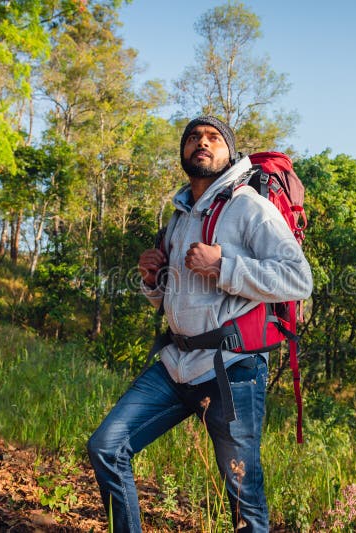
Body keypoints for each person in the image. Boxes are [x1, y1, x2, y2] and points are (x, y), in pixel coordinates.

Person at [87, 116, 313, 532]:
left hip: (232, 368)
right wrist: (151, 280)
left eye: (212, 138)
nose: (201, 144)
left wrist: (223, 265)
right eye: (193, 138)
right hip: (176, 364)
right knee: (106, 445)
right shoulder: (179, 216)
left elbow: (298, 279)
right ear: (183, 153)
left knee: (244, 496)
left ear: (229, 153)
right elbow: (174, 297)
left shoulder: (249, 206)